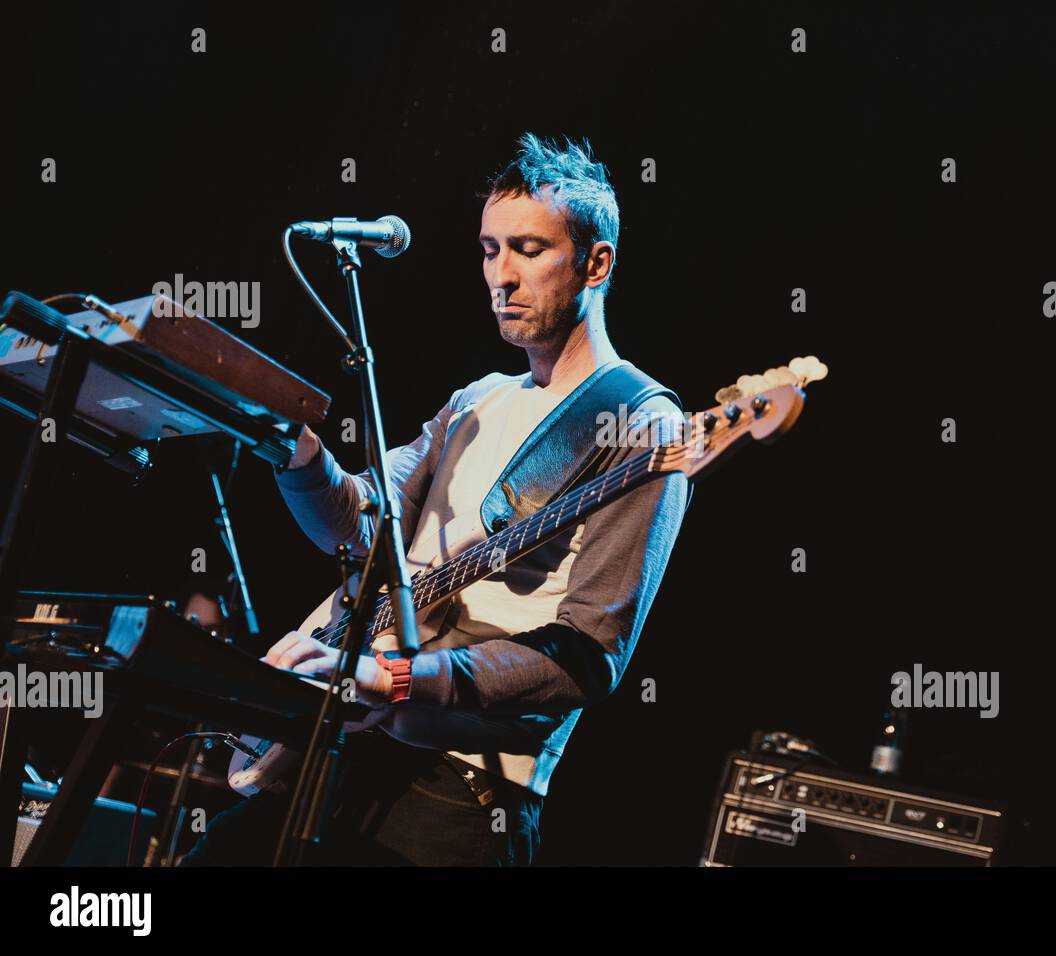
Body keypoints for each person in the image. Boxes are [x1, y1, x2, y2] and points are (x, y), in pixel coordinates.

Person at [182, 133, 689, 865]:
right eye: (489, 250)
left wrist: (393, 677)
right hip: (352, 748)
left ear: (596, 262)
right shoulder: (476, 400)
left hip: (463, 793)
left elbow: (587, 655)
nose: (501, 276)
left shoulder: (642, 421)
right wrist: (290, 443)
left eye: (528, 249)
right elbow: (358, 525)